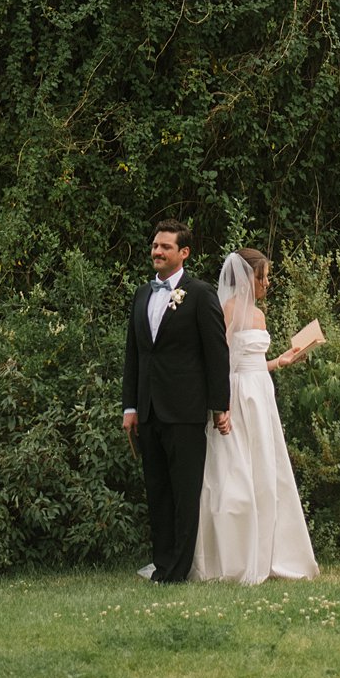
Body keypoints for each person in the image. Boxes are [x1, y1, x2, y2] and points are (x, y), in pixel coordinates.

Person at [191, 248, 318, 583]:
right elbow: (221, 362)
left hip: (261, 394)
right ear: (250, 277)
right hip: (238, 395)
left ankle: (269, 551)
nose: (268, 282)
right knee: (233, 475)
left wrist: (282, 361)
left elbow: (255, 362)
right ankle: (230, 557)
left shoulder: (259, 314)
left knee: (263, 471)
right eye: (264, 276)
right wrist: (223, 404)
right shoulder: (227, 310)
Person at [122, 220, 232, 584]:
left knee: (185, 495)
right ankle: (162, 564)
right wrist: (130, 408)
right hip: (148, 410)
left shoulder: (199, 294)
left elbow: (217, 353)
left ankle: (178, 571)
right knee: (157, 493)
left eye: (165, 247)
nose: (156, 251)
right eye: (155, 245)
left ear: (183, 253)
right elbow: (135, 356)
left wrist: (220, 405)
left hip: (184, 410)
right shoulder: (142, 294)